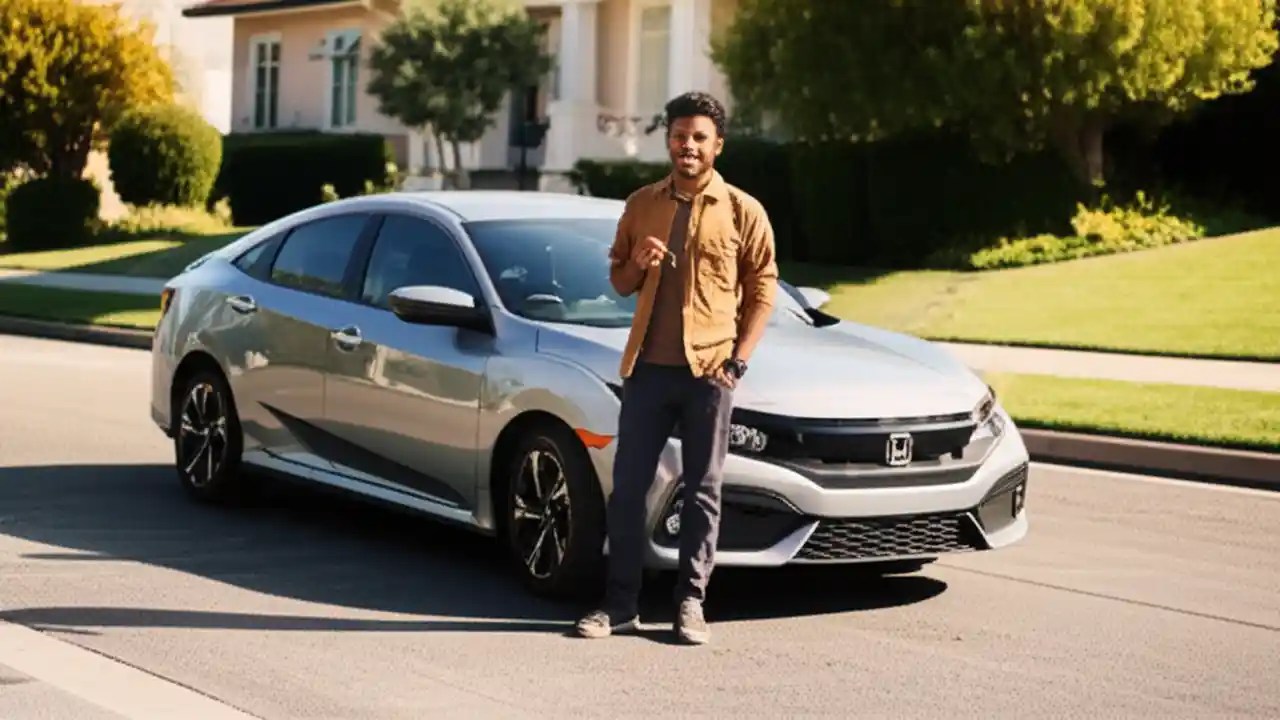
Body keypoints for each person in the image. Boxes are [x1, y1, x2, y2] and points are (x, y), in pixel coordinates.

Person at [575, 91, 779, 645]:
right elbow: (617, 280)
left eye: (698, 137)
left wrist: (738, 363)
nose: (687, 145)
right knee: (628, 489)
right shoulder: (642, 203)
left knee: (703, 489)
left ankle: (690, 603)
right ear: (667, 139)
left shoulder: (743, 210)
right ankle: (619, 606)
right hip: (647, 370)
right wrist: (636, 265)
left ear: (717, 145)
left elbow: (763, 291)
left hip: (710, 373)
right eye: (678, 135)